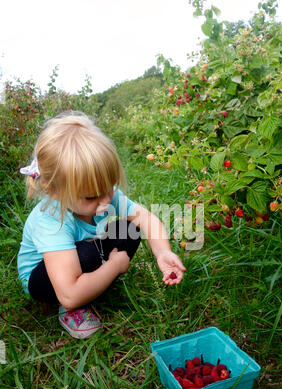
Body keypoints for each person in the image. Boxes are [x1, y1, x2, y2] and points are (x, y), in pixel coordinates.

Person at [17, 111, 186, 339]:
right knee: (88, 255)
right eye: (91, 197)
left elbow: (145, 218)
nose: (106, 200)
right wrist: (114, 267)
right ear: (53, 190)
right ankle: (73, 309)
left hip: (85, 252)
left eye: (109, 188)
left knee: (130, 230)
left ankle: (94, 280)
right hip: (46, 279)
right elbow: (68, 293)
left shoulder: (101, 194)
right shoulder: (50, 220)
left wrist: (163, 251)